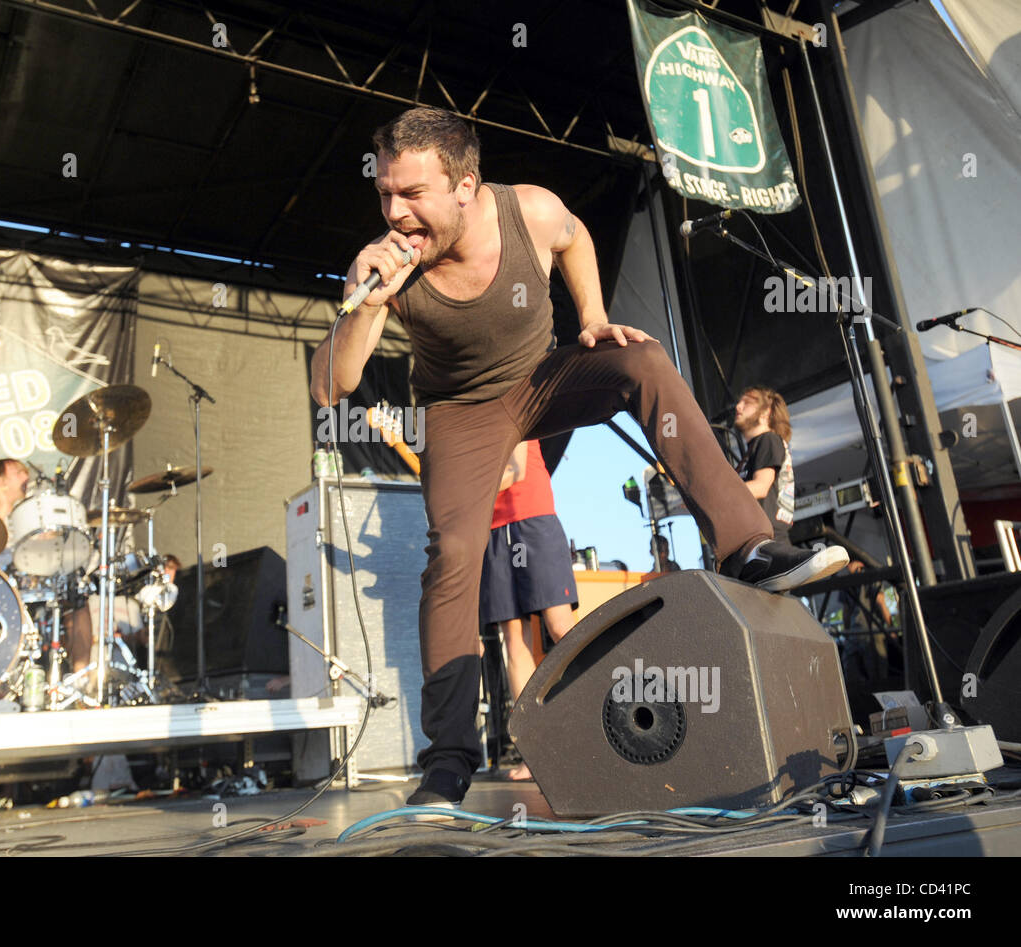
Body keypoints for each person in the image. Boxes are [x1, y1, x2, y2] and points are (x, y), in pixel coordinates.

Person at [308, 107, 848, 808]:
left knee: (643, 360)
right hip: (459, 413)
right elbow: (331, 386)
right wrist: (365, 304)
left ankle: (748, 544)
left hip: (541, 382)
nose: (395, 211)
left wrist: (592, 315)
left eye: (412, 195)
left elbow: (576, 236)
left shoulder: (528, 211)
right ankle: (446, 761)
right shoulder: (385, 266)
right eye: (385, 193)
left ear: (466, 186)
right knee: (454, 554)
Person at [481, 440, 578, 782]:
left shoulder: (509, 400)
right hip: (493, 530)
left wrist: (467, 490)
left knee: (560, 628)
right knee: (513, 642)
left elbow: (515, 469)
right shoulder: (467, 422)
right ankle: (534, 752)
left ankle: (587, 731)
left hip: (533, 519)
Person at [0, 458, 94, 676]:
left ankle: (81, 676)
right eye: (19, 472)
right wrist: (1, 505)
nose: (26, 477)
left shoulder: (27, 514)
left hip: (31, 580)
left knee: (76, 593)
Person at [733, 386, 794, 543]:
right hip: (763, 539)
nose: (738, 407)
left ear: (765, 412)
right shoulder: (757, 446)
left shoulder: (768, 439)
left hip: (767, 541)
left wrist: (717, 496)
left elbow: (760, 487)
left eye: (746, 403)